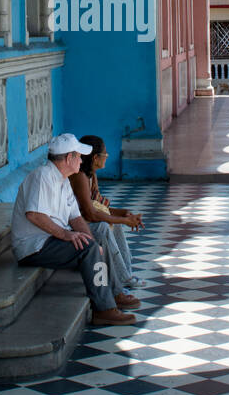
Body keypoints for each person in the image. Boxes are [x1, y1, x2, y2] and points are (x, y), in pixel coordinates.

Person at [10, 133, 136, 327]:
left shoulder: (63, 180)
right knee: (88, 248)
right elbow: (34, 215)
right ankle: (104, 309)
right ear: (69, 158)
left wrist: (89, 237)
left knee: (96, 239)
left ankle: (114, 292)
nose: (81, 160)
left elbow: (76, 217)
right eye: (78, 156)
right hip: (33, 246)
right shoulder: (43, 176)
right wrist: (66, 234)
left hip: (50, 240)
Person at [69, 136, 146, 310]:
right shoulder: (79, 176)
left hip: (84, 219)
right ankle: (116, 286)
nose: (106, 157)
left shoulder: (90, 176)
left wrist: (125, 214)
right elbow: (90, 213)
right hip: (73, 225)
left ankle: (125, 275)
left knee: (115, 223)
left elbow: (100, 207)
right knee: (102, 227)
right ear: (96, 158)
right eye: (105, 155)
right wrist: (124, 220)